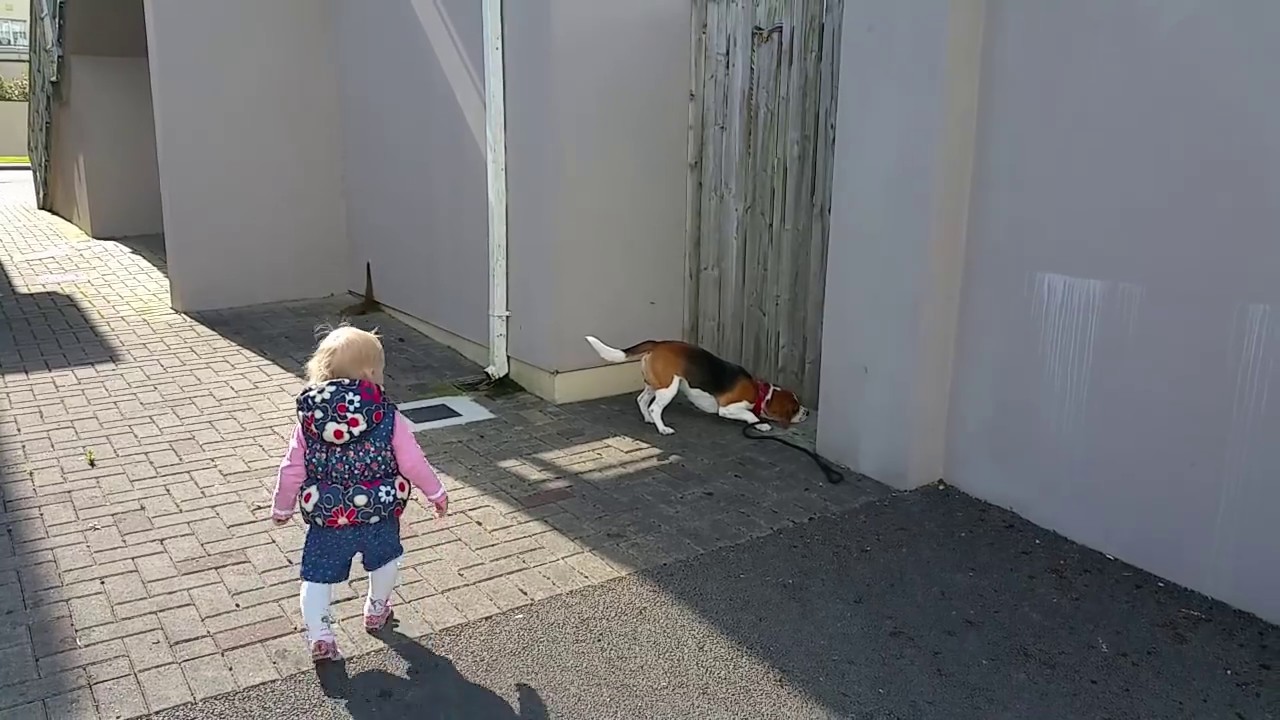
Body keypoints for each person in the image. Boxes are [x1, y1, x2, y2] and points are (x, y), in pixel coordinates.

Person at [270, 325, 449, 662]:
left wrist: (283, 507)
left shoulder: (309, 420)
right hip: (378, 513)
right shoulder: (387, 415)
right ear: (370, 373)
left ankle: (321, 634)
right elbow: (411, 461)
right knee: (385, 561)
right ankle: (376, 609)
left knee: (317, 576)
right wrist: (435, 491)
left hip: (329, 518)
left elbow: (292, 468)